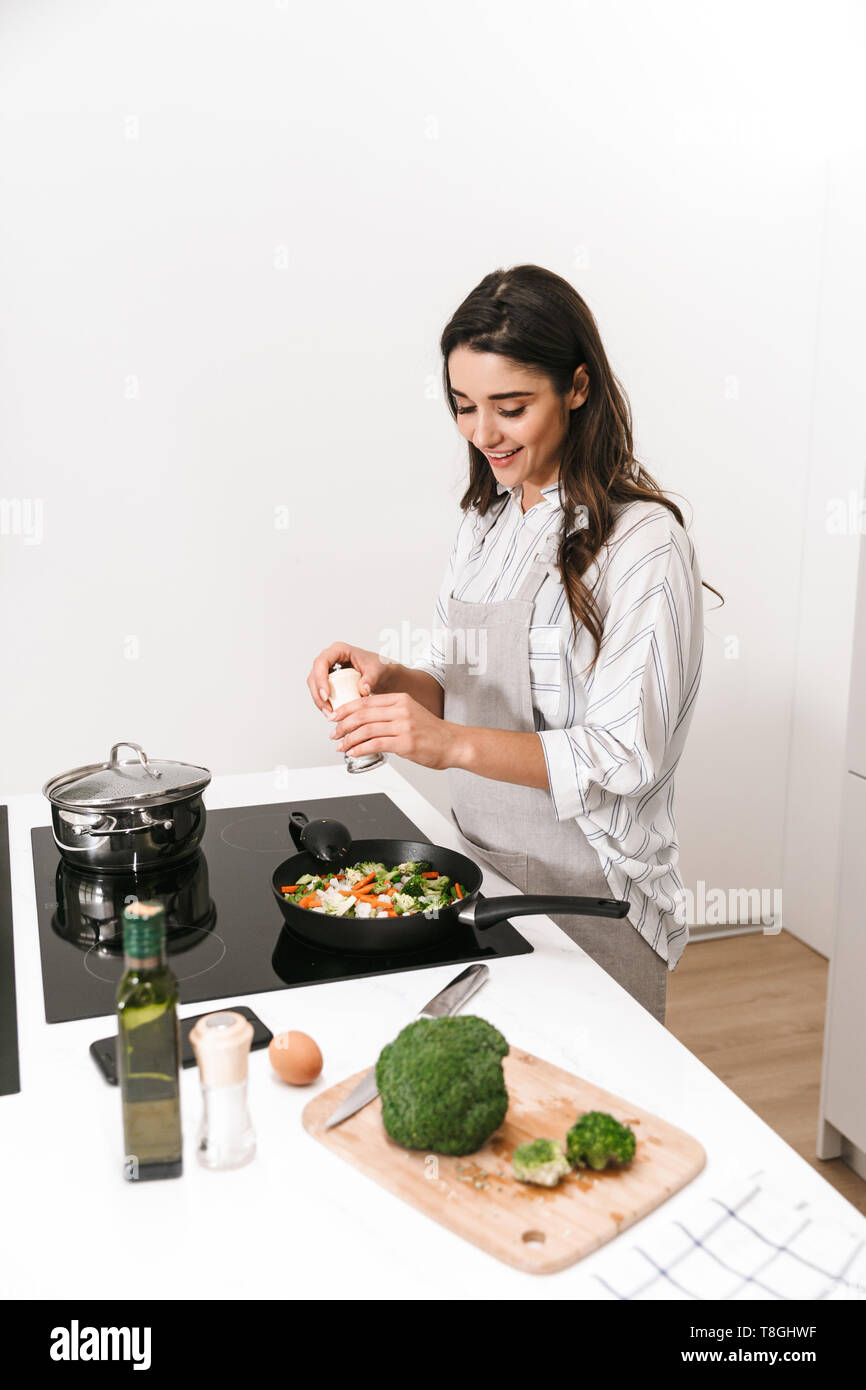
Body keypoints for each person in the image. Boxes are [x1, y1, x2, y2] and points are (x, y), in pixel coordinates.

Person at [307, 264, 715, 1025]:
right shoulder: (486, 521)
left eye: (511, 407)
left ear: (579, 387)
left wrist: (451, 744)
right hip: (480, 874)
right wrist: (393, 683)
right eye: (464, 407)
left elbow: (626, 754)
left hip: (592, 897)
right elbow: (459, 685)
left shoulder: (643, 544)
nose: (482, 434)